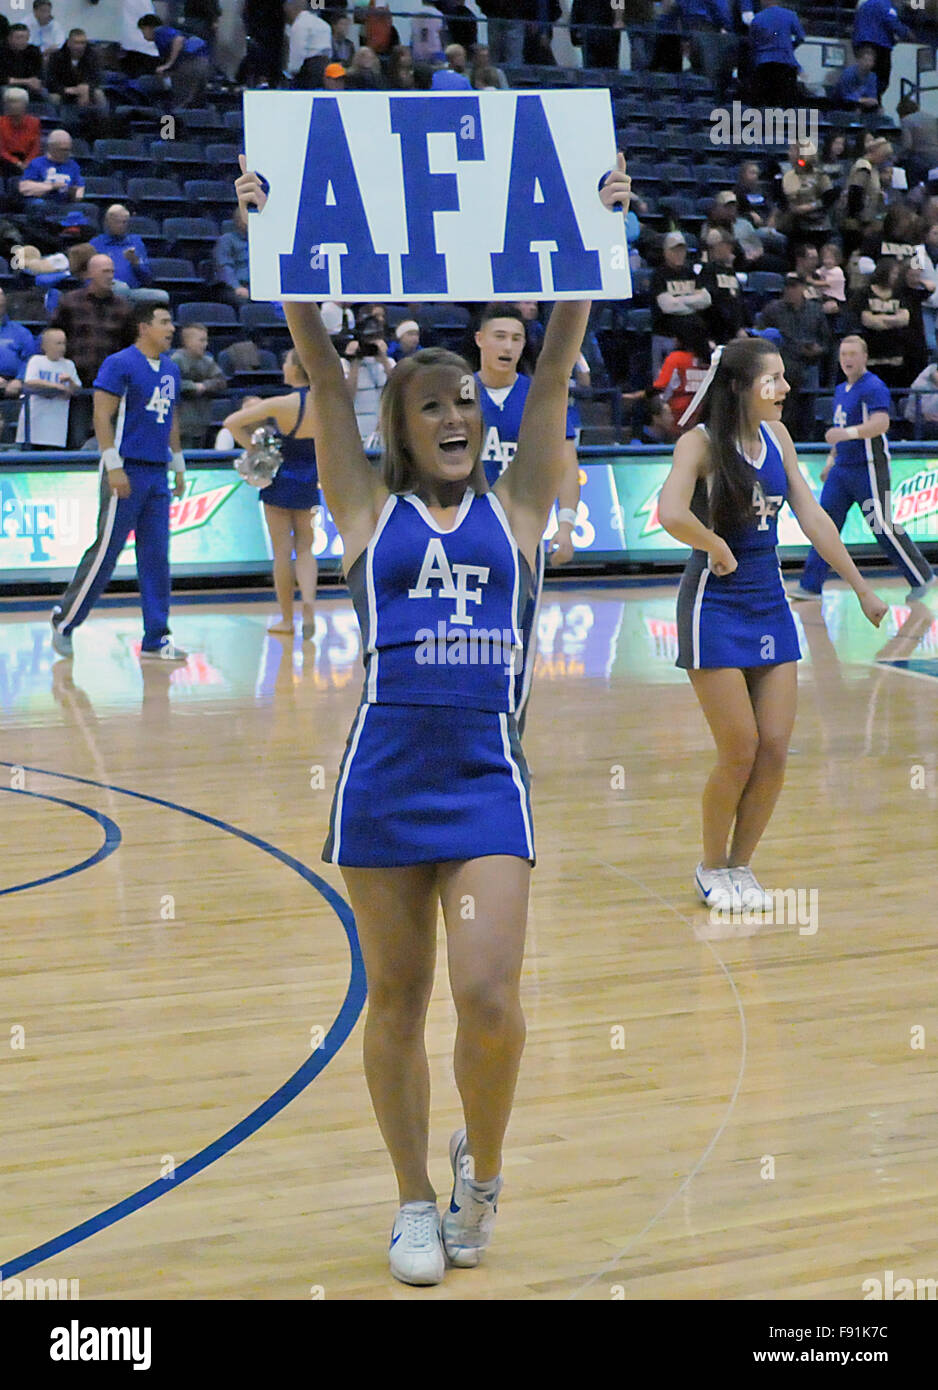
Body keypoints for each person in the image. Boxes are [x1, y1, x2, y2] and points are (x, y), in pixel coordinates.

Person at [234, 150, 629, 1287]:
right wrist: (280, 254)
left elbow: (552, 363)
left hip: (484, 783)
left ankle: (482, 1172)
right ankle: (411, 1198)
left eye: (464, 399)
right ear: (398, 427)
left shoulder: (515, 499)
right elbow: (313, 359)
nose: (455, 413)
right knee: (395, 1001)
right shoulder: (362, 504)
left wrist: (594, 249)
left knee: (489, 997)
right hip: (381, 780)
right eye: (432, 404)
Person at [657, 336, 887, 913]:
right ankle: (711, 865)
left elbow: (811, 516)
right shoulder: (701, 443)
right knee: (740, 748)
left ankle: (741, 866)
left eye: (784, 377)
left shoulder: (778, 437)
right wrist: (711, 542)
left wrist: (860, 586)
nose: (785, 388)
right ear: (739, 386)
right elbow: (670, 512)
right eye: (773, 379)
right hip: (713, 604)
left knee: (776, 749)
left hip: (768, 602)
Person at [50, 302, 189, 663]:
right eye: (164, 322)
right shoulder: (120, 363)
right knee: (107, 552)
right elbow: (101, 414)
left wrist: (178, 465)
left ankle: (157, 638)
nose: (171, 328)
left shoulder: (171, 369)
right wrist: (112, 465)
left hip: (157, 471)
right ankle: (65, 620)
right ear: (143, 328)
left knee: (157, 557)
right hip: (126, 467)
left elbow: (171, 418)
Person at [474, 302, 581, 731]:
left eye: (517, 338)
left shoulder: (541, 396)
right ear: (480, 339)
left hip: (522, 536)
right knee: (459, 639)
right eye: (500, 336)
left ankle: (509, 737)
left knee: (517, 638)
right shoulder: (457, 391)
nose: (509, 345)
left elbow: (566, 463)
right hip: (463, 532)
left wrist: (567, 524)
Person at [791, 336, 935, 601]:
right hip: (842, 469)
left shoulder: (873, 387)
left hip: (869, 468)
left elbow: (880, 424)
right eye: (844, 353)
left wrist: (847, 434)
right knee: (825, 525)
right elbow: (838, 431)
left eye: (853, 354)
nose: (847, 359)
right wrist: (831, 461)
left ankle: (922, 575)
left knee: (880, 524)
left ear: (864, 357)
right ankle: (810, 586)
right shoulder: (840, 390)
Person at [222, 349, 319, 637]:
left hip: (279, 479)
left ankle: (287, 620)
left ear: (295, 368)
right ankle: (310, 605)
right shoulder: (326, 403)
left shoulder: (280, 403)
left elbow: (231, 422)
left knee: (281, 552)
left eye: (286, 362)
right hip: (310, 478)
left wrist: (256, 450)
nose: (283, 367)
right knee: (305, 548)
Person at [49, 253, 135, 445]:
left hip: (111, 389)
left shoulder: (124, 308)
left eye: (112, 271)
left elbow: (131, 347)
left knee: (110, 445)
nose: (110, 276)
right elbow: (52, 337)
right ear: (91, 273)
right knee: (77, 443)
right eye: (105, 271)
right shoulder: (69, 302)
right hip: (78, 388)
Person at [757, 272, 830, 440]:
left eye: (794, 286)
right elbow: (761, 336)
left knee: (808, 412)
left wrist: (818, 350)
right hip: (782, 367)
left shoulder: (815, 310)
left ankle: (807, 440)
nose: (790, 290)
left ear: (803, 288)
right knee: (784, 410)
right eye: (788, 286)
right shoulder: (773, 309)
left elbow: (827, 341)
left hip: (810, 365)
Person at [651, 230, 712, 374]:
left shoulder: (689, 272)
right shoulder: (659, 275)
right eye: (675, 250)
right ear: (666, 252)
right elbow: (667, 306)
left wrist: (680, 301)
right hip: (666, 332)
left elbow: (706, 300)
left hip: (692, 331)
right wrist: (692, 303)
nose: (679, 254)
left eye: (682, 250)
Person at [846, 256, 910, 389]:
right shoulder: (864, 293)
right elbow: (868, 321)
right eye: (893, 273)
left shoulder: (898, 293)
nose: (895, 277)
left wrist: (881, 318)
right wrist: (892, 319)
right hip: (871, 353)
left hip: (894, 353)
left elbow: (904, 319)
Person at [90, 203, 168, 306]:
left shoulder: (136, 242)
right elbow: (89, 275)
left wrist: (136, 262)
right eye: (118, 222)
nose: (122, 225)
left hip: (133, 291)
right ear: (107, 222)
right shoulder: (95, 243)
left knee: (162, 296)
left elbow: (147, 279)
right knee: (121, 288)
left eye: (125, 222)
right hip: (106, 290)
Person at [16, 324, 80, 448]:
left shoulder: (68, 365)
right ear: (45, 346)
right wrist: (56, 386)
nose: (62, 348)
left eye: (64, 343)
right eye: (58, 343)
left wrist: (70, 381)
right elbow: (31, 381)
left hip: (56, 426)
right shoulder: (36, 360)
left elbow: (77, 389)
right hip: (34, 423)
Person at [136, 12, 210, 109]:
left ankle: (174, 120)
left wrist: (168, 64)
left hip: (190, 61)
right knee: (195, 99)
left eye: (143, 30)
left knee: (181, 100)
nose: (143, 35)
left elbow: (178, 40)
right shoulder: (164, 35)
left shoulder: (159, 31)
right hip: (202, 61)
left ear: (148, 27)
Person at [171, 321, 227, 447]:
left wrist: (204, 386)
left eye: (206, 340)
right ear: (187, 341)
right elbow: (168, 384)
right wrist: (192, 387)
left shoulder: (207, 361)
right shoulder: (176, 360)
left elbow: (221, 381)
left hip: (201, 423)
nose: (205, 344)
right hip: (181, 425)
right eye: (201, 340)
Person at [746, 0, 804, 107]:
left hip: (763, 64)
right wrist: (789, 47)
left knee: (763, 106)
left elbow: (752, 43)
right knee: (786, 107)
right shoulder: (791, 15)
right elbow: (801, 37)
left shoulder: (757, 18)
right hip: (786, 63)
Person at [853, 0, 910, 102]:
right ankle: (873, 107)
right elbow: (893, 22)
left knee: (865, 80)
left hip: (861, 45)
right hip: (879, 46)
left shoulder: (864, 5)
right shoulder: (885, 5)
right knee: (881, 81)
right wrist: (907, 33)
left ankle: (866, 106)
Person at [46, 28, 108, 116]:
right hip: (64, 91)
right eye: (76, 42)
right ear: (69, 43)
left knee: (99, 94)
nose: (79, 46)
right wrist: (65, 90)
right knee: (53, 98)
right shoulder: (56, 57)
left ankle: (103, 124)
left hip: (87, 91)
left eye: (82, 43)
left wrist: (87, 88)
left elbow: (97, 78)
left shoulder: (93, 56)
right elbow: (50, 81)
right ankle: (57, 125)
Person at [0, 286, 34, 400]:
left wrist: (19, 380)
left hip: (13, 388)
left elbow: (30, 359)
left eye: (1, 295)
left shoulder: (21, 332)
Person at [284, 0, 331, 80]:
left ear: (292, 8)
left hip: (308, 71)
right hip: (325, 68)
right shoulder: (323, 23)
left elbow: (298, 52)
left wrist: (290, 73)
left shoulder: (299, 24)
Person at [0, 86, 40, 180]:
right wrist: (16, 162)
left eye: (17, 102)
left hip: (26, 160)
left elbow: (35, 148)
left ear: (25, 104)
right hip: (5, 161)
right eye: (10, 102)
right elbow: (1, 150)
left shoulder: (34, 122)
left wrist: (28, 162)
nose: (13, 105)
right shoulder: (0, 123)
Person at [214, 204, 250, 306]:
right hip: (235, 286)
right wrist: (236, 287)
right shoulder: (227, 240)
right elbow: (224, 268)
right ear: (238, 221)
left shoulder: (265, 241)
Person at [0, 25, 44, 100]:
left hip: (28, 85)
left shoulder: (33, 50)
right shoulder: (2, 51)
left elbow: (39, 73)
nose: (23, 41)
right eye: (19, 38)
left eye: (26, 38)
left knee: (44, 93)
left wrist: (36, 81)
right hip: (6, 85)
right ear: (9, 38)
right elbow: (2, 78)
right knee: (8, 93)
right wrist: (26, 81)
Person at [833, 44, 880, 113]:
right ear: (859, 60)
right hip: (843, 105)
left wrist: (871, 101)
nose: (867, 63)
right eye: (865, 60)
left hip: (862, 105)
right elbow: (844, 96)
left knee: (879, 111)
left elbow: (872, 96)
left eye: (870, 61)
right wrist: (861, 100)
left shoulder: (872, 77)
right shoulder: (848, 74)